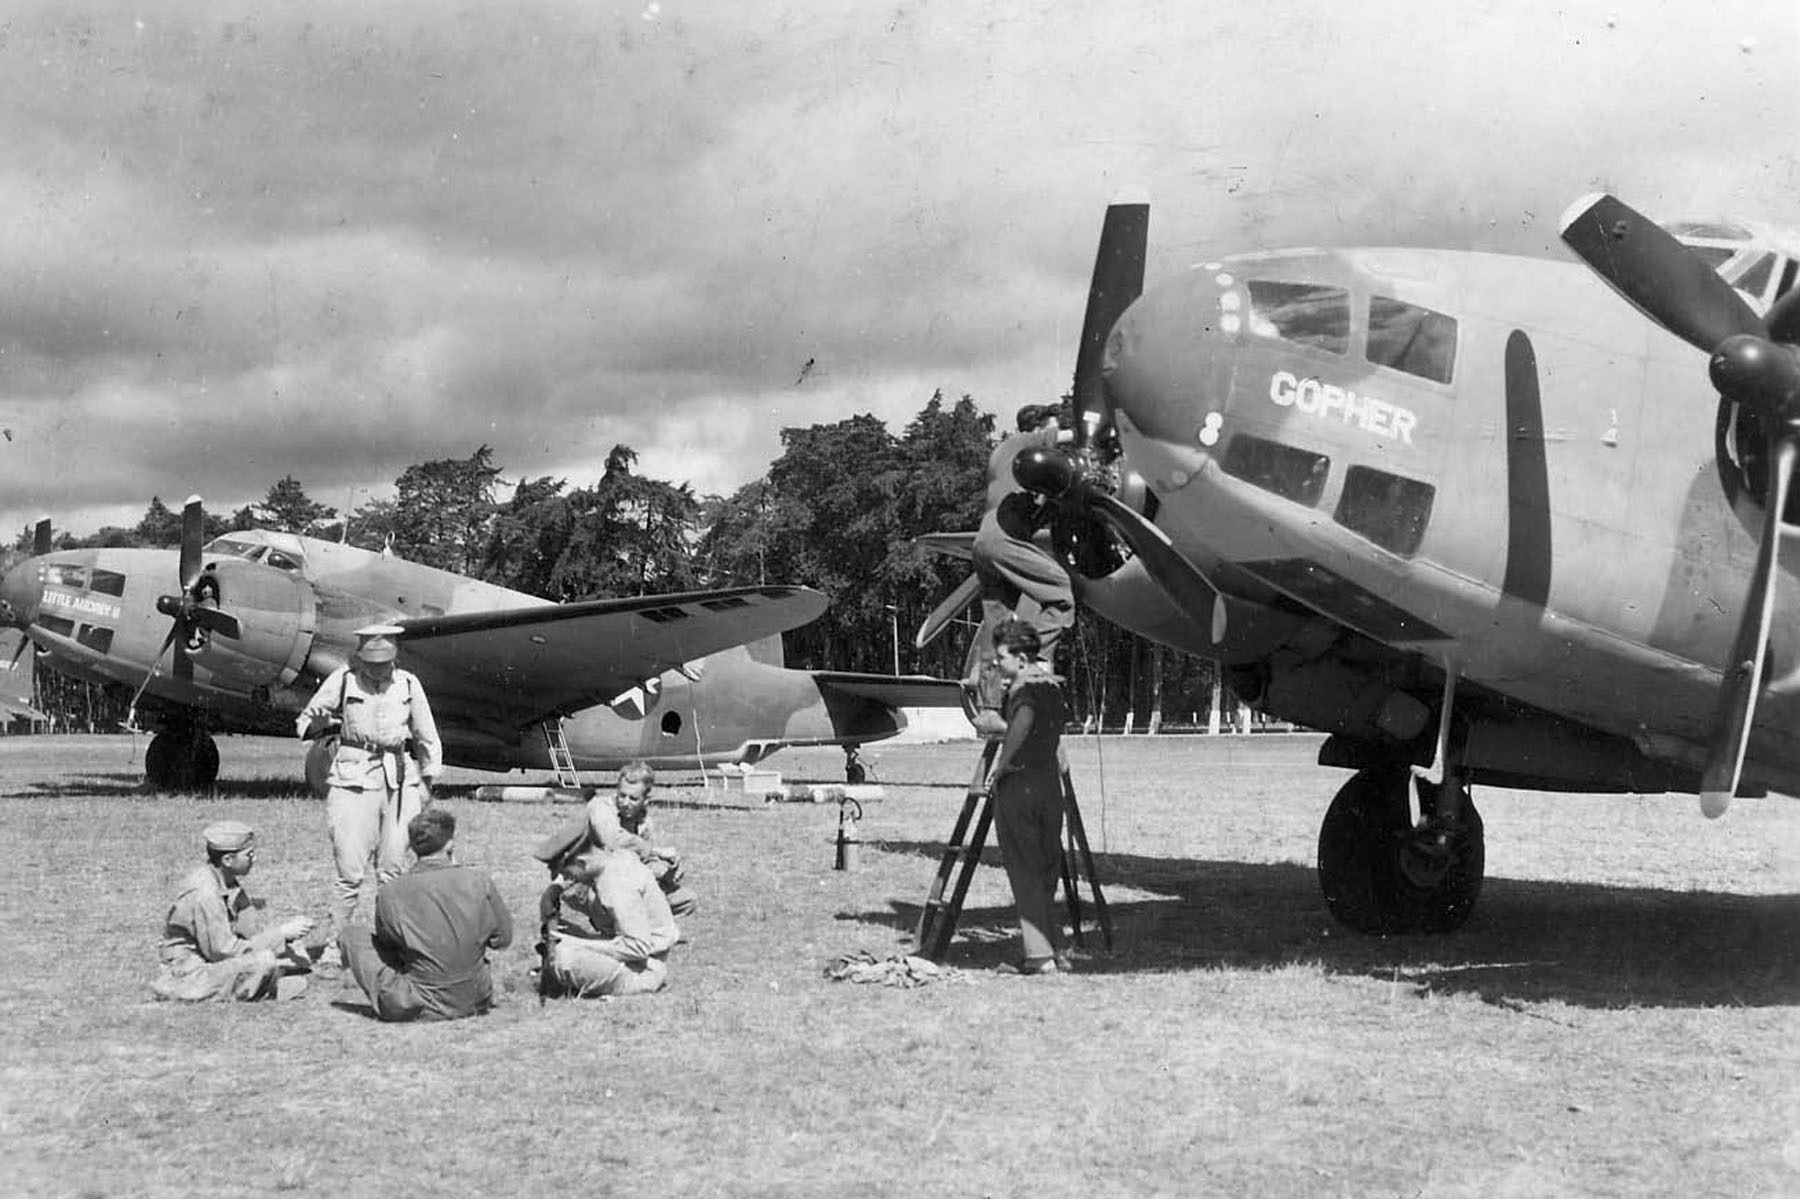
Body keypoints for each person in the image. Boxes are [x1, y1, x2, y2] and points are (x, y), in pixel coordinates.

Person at [296, 622, 444, 956]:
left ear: (394, 659)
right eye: (371, 664)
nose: (377, 671)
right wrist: (318, 723)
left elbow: (426, 735)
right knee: (349, 871)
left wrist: (427, 781)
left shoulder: (408, 683)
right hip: (352, 781)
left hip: (399, 781)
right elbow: (305, 722)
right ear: (360, 658)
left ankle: (390, 946)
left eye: (384, 663)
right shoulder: (344, 679)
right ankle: (337, 947)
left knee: (392, 871)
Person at [340, 808, 514, 1022]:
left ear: (412, 847)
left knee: (351, 934)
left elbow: (390, 946)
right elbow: (503, 939)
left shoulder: (391, 891)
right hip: (477, 996)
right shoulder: (478, 881)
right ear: (450, 844)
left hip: (417, 1003)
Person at [977, 617, 1071, 975]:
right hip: (1049, 784)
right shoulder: (1052, 684)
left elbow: (1026, 717)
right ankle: (1056, 948)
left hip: (1021, 786)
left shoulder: (1022, 690)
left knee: (1024, 869)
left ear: (1018, 656)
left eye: (1002, 656)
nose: (999, 664)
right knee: (1046, 870)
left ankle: (1038, 956)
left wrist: (1001, 766)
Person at [151, 821, 315, 1002]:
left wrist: (286, 935)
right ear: (228, 860)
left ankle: (264, 980)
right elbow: (222, 951)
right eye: (249, 854)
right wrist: (280, 934)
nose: (254, 859)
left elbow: (249, 931)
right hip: (187, 973)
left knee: (292, 948)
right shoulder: (205, 894)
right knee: (265, 959)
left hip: (210, 961)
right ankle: (263, 987)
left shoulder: (226, 880)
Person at [970, 403, 1077, 668]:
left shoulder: (1010, 461)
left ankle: (989, 703)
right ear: (1039, 428)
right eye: (1053, 427)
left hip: (985, 539)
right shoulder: (1024, 442)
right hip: (1004, 537)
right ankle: (1032, 660)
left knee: (998, 624)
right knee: (1061, 592)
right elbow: (1074, 436)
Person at [533, 818, 679, 998]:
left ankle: (620, 983)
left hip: (643, 968)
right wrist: (553, 890)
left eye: (567, 871)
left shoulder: (617, 883)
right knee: (559, 933)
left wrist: (576, 943)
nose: (567, 877)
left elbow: (637, 947)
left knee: (563, 957)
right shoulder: (609, 857)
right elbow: (571, 873)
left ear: (580, 862)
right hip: (631, 951)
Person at [583, 761, 698, 917]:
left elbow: (644, 861)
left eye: (633, 798)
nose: (625, 802)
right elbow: (613, 840)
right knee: (622, 895)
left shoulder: (644, 822)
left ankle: (639, 928)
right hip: (589, 881)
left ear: (646, 800)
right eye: (622, 795)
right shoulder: (600, 807)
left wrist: (666, 872)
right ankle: (616, 925)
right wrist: (656, 851)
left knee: (686, 899)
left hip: (626, 882)